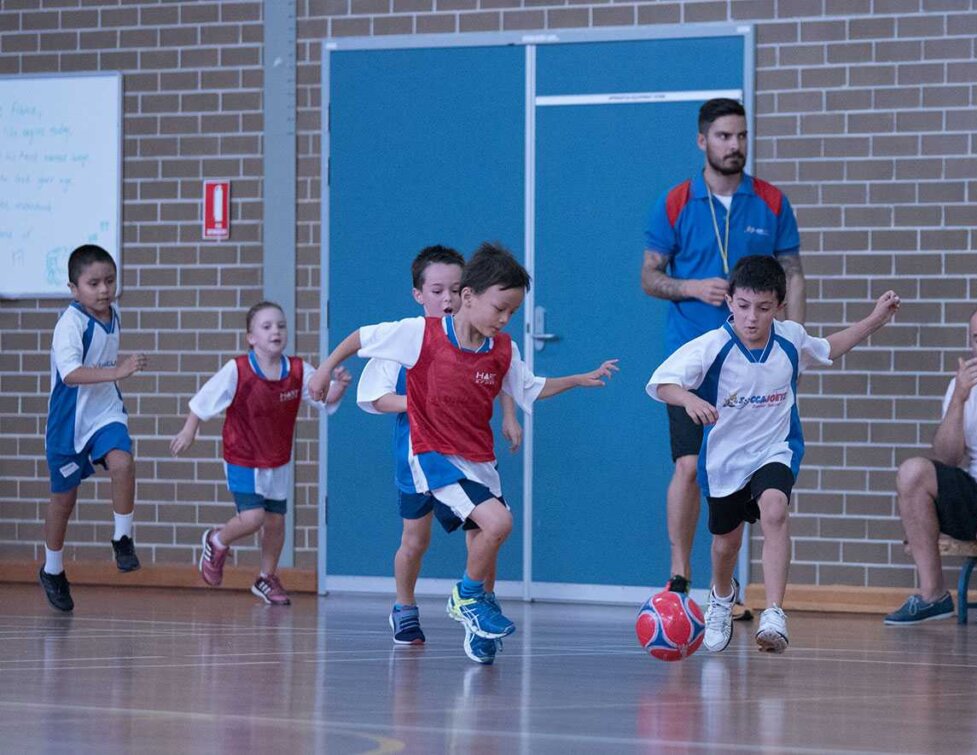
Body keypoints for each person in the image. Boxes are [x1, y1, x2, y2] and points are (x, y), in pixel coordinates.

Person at [309, 242, 617, 664]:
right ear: (470, 298)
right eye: (500, 309)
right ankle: (461, 598)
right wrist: (324, 370)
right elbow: (362, 338)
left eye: (512, 312)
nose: (505, 319)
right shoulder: (418, 334)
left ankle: (478, 612)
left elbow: (528, 387)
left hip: (478, 457)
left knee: (488, 537)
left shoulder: (503, 348)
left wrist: (578, 379)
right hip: (431, 454)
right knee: (483, 525)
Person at [647, 255, 899, 653]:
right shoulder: (712, 346)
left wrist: (874, 320)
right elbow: (662, 382)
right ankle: (720, 597)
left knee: (775, 510)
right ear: (729, 301)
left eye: (763, 308)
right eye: (743, 306)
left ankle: (775, 613)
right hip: (726, 459)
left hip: (775, 448)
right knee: (726, 544)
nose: (752, 317)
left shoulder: (791, 339)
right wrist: (689, 400)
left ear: (779, 306)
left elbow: (829, 348)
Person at [641, 98, 806, 611]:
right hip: (698, 361)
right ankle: (679, 575)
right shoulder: (675, 202)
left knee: (749, 475)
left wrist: (794, 337)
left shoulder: (772, 201)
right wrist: (691, 287)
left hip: (756, 363)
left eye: (742, 136)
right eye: (724, 136)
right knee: (690, 466)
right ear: (702, 141)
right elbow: (649, 276)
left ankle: (727, 588)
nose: (735, 145)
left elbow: (793, 273)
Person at [356, 245, 523, 651]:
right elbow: (374, 397)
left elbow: (501, 376)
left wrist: (509, 415)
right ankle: (404, 606)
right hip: (417, 454)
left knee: (483, 531)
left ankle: (478, 610)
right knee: (415, 540)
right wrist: (422, 402)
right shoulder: (405, 340)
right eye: (436, 291)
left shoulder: (481, 339)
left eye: (454, 289)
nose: (446, 299)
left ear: (468, 292)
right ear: (419, 295)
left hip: (464, 452)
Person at [170, 301, 350, 605]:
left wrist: (340, 386)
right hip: (242, 457)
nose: (275, 331)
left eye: (280, 325)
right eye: (266, 327)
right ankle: (217, 540)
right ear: (251, 337)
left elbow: (323, 397)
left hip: (277, 459)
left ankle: (266, 577)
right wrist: (189, 430)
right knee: (253, 518)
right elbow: (203, 400)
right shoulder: (238, 369)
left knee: (276, 523)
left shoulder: (298, 370)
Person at [885, 303, 977, 628]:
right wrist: (959, 399)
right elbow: (947, 458)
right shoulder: (963, 386)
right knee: (913, 471)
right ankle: (933, 594)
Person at [40, 244, 148, 612]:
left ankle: (122, 538)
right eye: (94, 283)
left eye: (110, 281)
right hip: (69, 422)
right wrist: (118, 370)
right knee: (63, 501)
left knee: (123, 464)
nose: (104, 290)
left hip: (104, 412)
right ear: (74, 289)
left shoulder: (113, 314)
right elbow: (70, 374)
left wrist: (115, 376)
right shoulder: (70, 324)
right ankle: (52, 570)